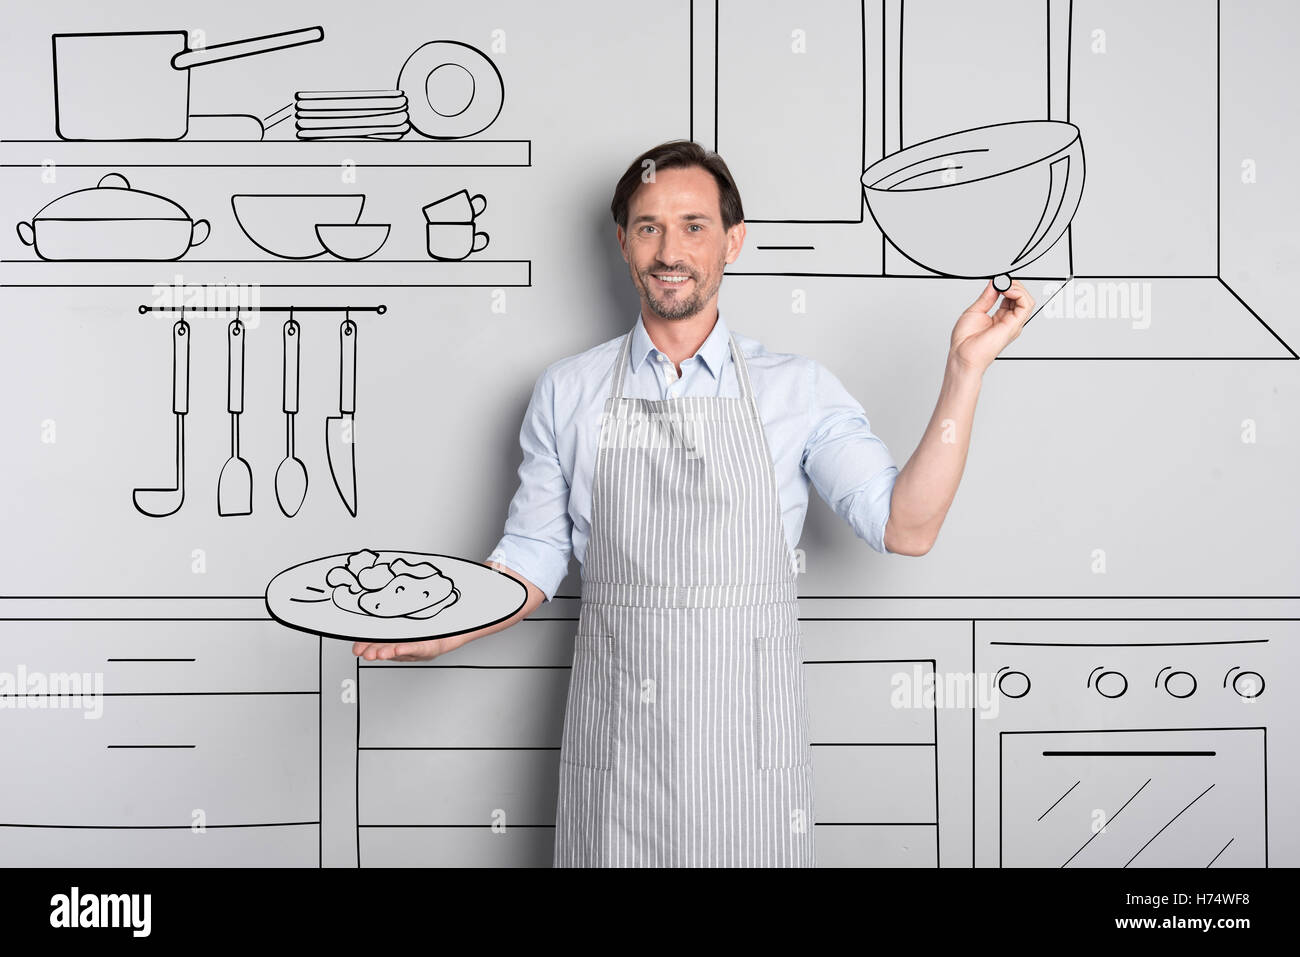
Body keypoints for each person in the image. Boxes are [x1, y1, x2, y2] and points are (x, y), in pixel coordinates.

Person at [352, 140, 1034, 866]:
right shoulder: (569, 391)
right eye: (648, 226)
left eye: (694, 225)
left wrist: (965, 370)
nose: (669, 249)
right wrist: (448, 626)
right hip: (619, 760)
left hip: (748, 758)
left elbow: (907, 526)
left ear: (732, 241)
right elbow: (533, 555)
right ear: (622, 243)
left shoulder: (795, 390)